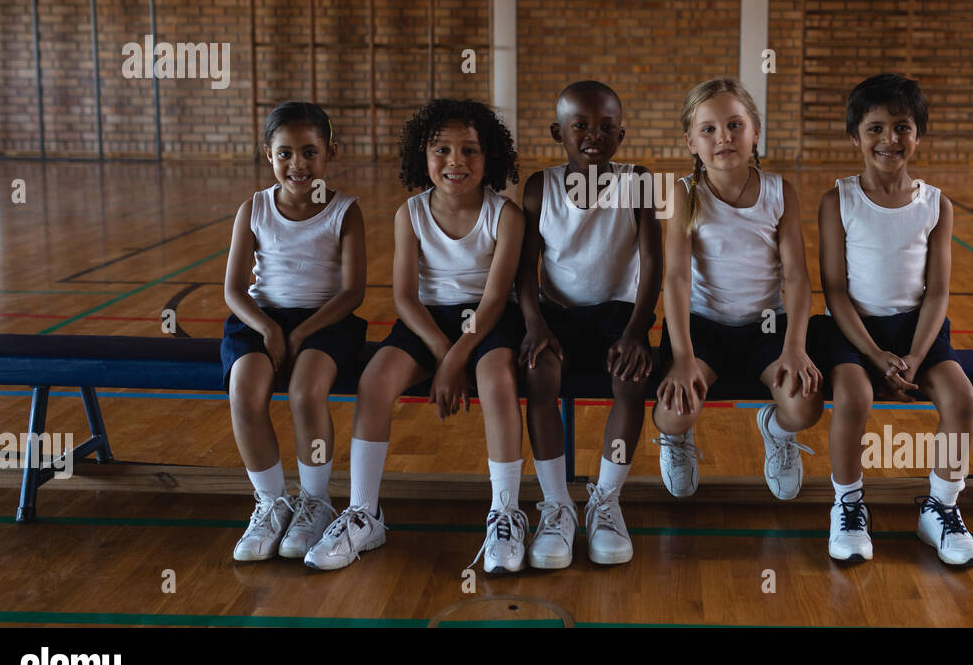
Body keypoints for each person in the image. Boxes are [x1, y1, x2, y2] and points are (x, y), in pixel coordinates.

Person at [304, 99, 527, 574]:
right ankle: (365, 513)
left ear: (490, 158)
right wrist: (445, 357)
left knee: (497, 383)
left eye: (470, 150)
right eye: (442, 149)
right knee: (374, 382)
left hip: (486, 322)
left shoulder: (505, 215)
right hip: (426, 320)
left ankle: (505, 511)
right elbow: (405, 297)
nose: (456, 161)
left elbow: (492, 301)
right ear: (421, 157)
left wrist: (457, 358)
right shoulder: (411, 213)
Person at [812, 73, 973, 567]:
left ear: (919, 134)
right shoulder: (837, 201)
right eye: (875, 128)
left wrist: (911, 355)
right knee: (854, 395)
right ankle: (848, 506)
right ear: (854, 136)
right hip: (853, 331)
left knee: (962, 399)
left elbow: (939, 292)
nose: (890, 140)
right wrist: (874, 354)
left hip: (916, 332)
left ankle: (941, 508)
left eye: (902, 127)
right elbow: (836, 290)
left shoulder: (936, 205)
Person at [656, 78, 823, 501]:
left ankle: (776, 431)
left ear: (755, 133)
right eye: (708, 129)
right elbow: (675, 277)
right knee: (672, 416)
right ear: (691, 141)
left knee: (804, 406)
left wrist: (795, 347)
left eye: (735, 125)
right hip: (702, 327)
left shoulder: (778, 192)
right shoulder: (683, 194)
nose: (723, 137)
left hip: (765, 326)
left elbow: (798, 276)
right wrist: (682, 357)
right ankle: (678, 443)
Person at [518, 81, 662, 568]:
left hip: (619, 315)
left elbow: (653, 262)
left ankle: (606, 499)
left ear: (622, 133)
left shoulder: (636, 180)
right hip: (556, 314)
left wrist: (638, 329)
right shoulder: (540, 186)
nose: (593, 135)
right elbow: (523, 270)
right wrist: (535, 324)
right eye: (580, 125)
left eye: (605, 126)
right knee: (540, 375)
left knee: (632, 377)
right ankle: (557, 504)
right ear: (557, 131)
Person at [221, 101, 367, 562]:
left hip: (326, 321)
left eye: (309, 152)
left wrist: (301, 333)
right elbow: (233, 289)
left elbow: (353, 291)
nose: (297, 165)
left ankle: (315, 501)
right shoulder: (254, 208)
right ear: (268, 155)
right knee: (245, 393)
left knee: (306, 393)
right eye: (285, 154)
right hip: (261, 319)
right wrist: (268, 328)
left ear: (331, 153)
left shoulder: (345, 210)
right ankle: (271, 501)